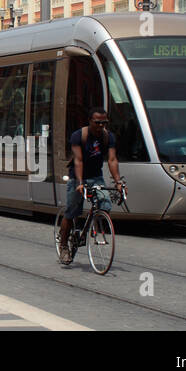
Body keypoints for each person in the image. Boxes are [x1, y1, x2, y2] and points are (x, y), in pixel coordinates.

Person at [58, 108, 124, 265]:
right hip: (77, 177)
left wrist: (118, 182)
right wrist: (80, 183)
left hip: (96, 177)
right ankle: (64, 245)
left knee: (105, 203)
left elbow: (112, 160)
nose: (101, 125)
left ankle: (94, 223)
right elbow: (78, 160)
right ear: (90, 121)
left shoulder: (109, 137)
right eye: (97, 122)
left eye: (104, 122)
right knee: (72, 211)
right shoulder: (79, 136)